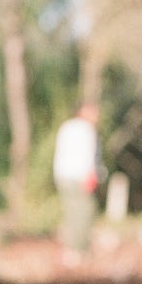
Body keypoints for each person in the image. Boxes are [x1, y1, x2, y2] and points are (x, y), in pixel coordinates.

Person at [53, 101, 101, 261]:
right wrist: (90, 176)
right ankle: (80, 249)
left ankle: (70, 249)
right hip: (80, 177)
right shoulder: (87, 130)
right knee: (84, 211)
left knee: (70, 211)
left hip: (63, 176)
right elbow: (88, 156)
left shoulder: (66, 127)